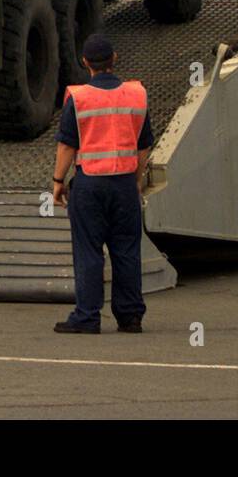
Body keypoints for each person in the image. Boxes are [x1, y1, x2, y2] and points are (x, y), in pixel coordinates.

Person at [51, 33, 153, 335]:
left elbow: (67, 146)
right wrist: (135, 179)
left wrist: (58, 181)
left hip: (90, 186)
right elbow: (144, 146)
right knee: (126, 250)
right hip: (124, 185)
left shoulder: (79, 98)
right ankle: (130, 317)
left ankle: (87, 317)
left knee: (89, 251)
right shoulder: (136, 95)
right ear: (114, 60)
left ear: (85, 63)